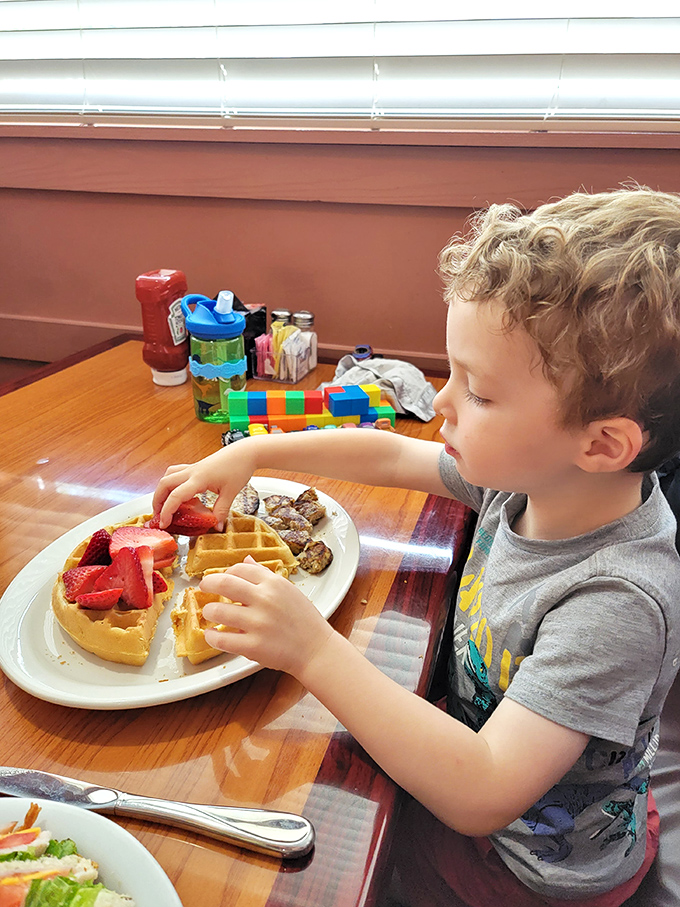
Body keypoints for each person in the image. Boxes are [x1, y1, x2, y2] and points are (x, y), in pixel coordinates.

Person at [152, 187, 680, 907]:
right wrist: (255, 452)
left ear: (601, 443)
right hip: (502, 760)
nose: (441, 403)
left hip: (532, 867)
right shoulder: (532, 480)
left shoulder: (616, 601)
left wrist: (311, 648)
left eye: (480, 392)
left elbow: (483, 790)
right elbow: (392, 456)